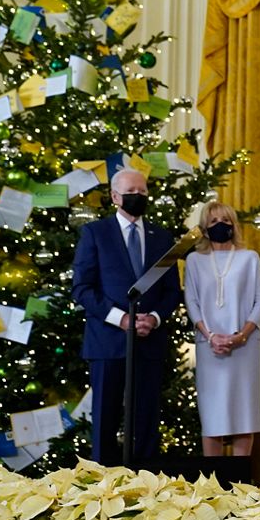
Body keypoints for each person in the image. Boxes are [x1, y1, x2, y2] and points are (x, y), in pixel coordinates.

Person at [72, 168, 181, 465]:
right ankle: (102, 489)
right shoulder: (95, 233)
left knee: (147, 419)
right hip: (107, 342)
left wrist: (154, 318)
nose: (139, 196)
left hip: (149, 342)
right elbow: (82, 288)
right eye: (133, 191)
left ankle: (146, 487)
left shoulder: (162, 237)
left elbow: (172, 290)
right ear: (115, 196)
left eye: (144, 192)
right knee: (105, 418)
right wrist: (121, 318)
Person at [184, 202, 260, 457]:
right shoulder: (194, 260)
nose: (221, 224)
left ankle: (240, 483)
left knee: (245, 417)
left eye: (226, 219)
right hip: (210, 348)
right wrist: (210, 336)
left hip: (245, 346)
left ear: (234, 224)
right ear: (205, 228)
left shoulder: (249, 258)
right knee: (213, 418)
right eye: (214, 220)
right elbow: (192, 301)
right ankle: (213, 486)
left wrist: (241, 334)